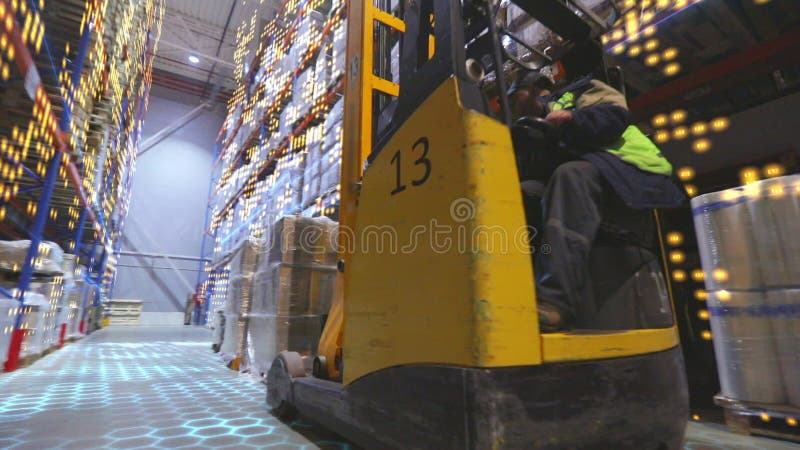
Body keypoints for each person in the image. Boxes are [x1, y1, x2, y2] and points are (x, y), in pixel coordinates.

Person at [507, 70, 685, 331]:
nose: (512, 106)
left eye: (517, 97)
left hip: (626, 174)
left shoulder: (582, 89)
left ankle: (554, 302)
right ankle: (514, 291)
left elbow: (612, 118)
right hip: (589, 178)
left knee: (571, 175)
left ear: (536, 89)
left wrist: (570, 118)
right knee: (519, 193)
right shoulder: (533, 124)